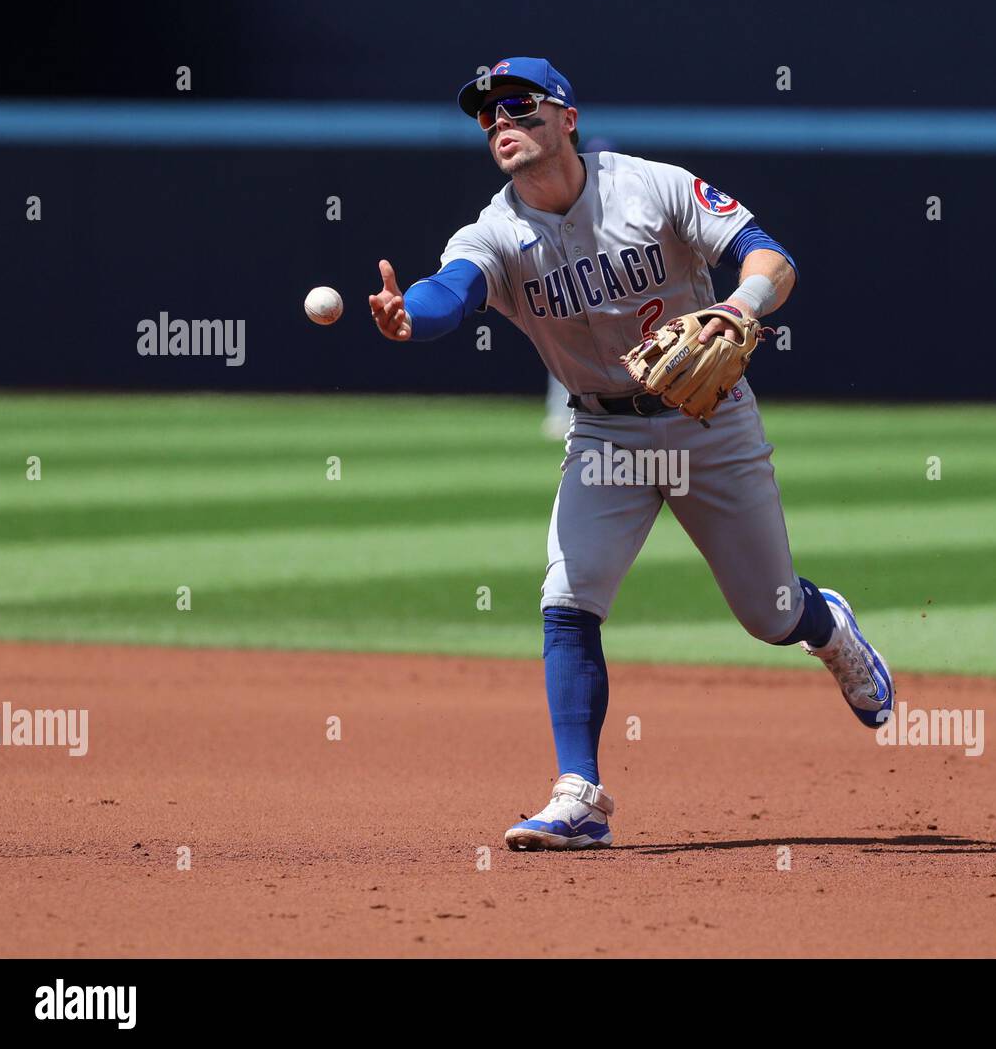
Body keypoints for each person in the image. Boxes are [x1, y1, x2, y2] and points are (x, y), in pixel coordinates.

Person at [370, 58, 894, 850]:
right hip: (605, 434)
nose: (500, 122)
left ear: (567, 118)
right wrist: (409, 312)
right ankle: (578, 795)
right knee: (567, 597)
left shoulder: (649, 186)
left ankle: (829, 629)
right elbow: (453, 291)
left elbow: (769, 254)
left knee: (769, 612)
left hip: (708, 419)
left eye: (519, 105)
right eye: (487, 115)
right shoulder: (494, 231)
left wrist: (738, 302)